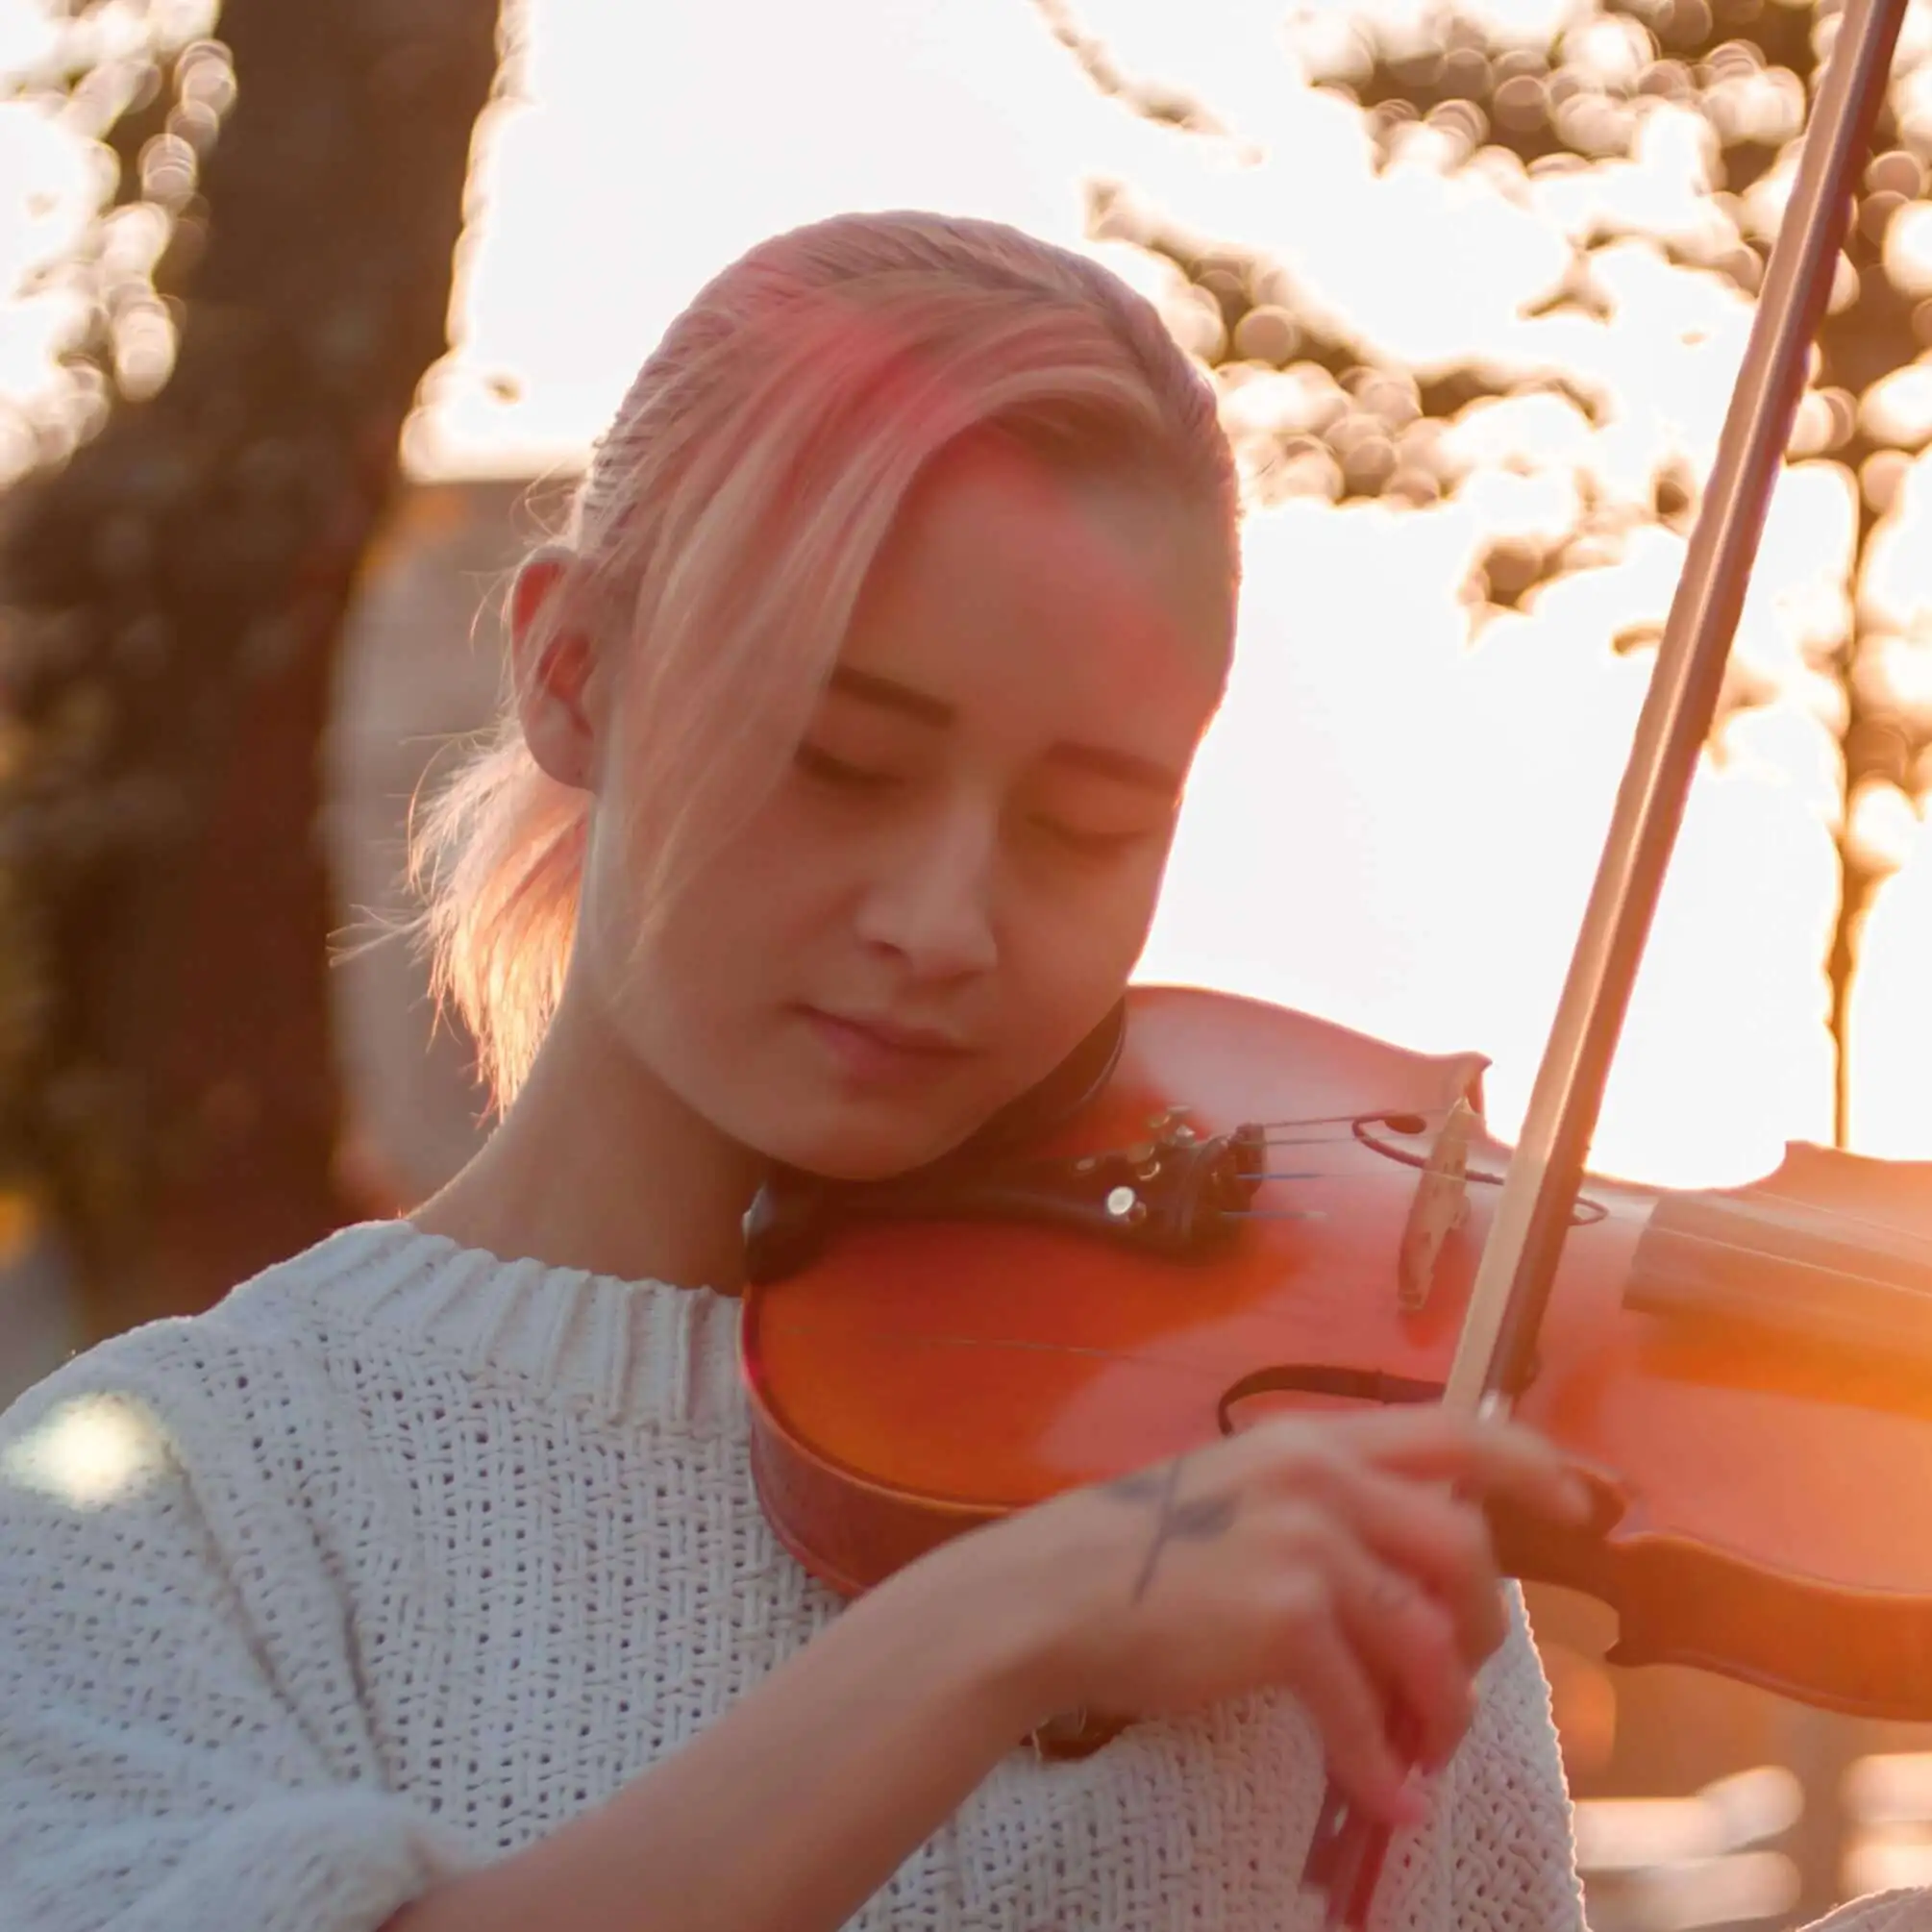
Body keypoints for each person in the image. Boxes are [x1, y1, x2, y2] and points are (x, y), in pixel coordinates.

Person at [0, 211, 1917, 1932]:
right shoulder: (187, 1501)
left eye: (1086, 824)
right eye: (843, 763)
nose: (944, 920)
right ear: (573, 670)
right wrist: (1001, 1629)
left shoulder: (1301, 1468)